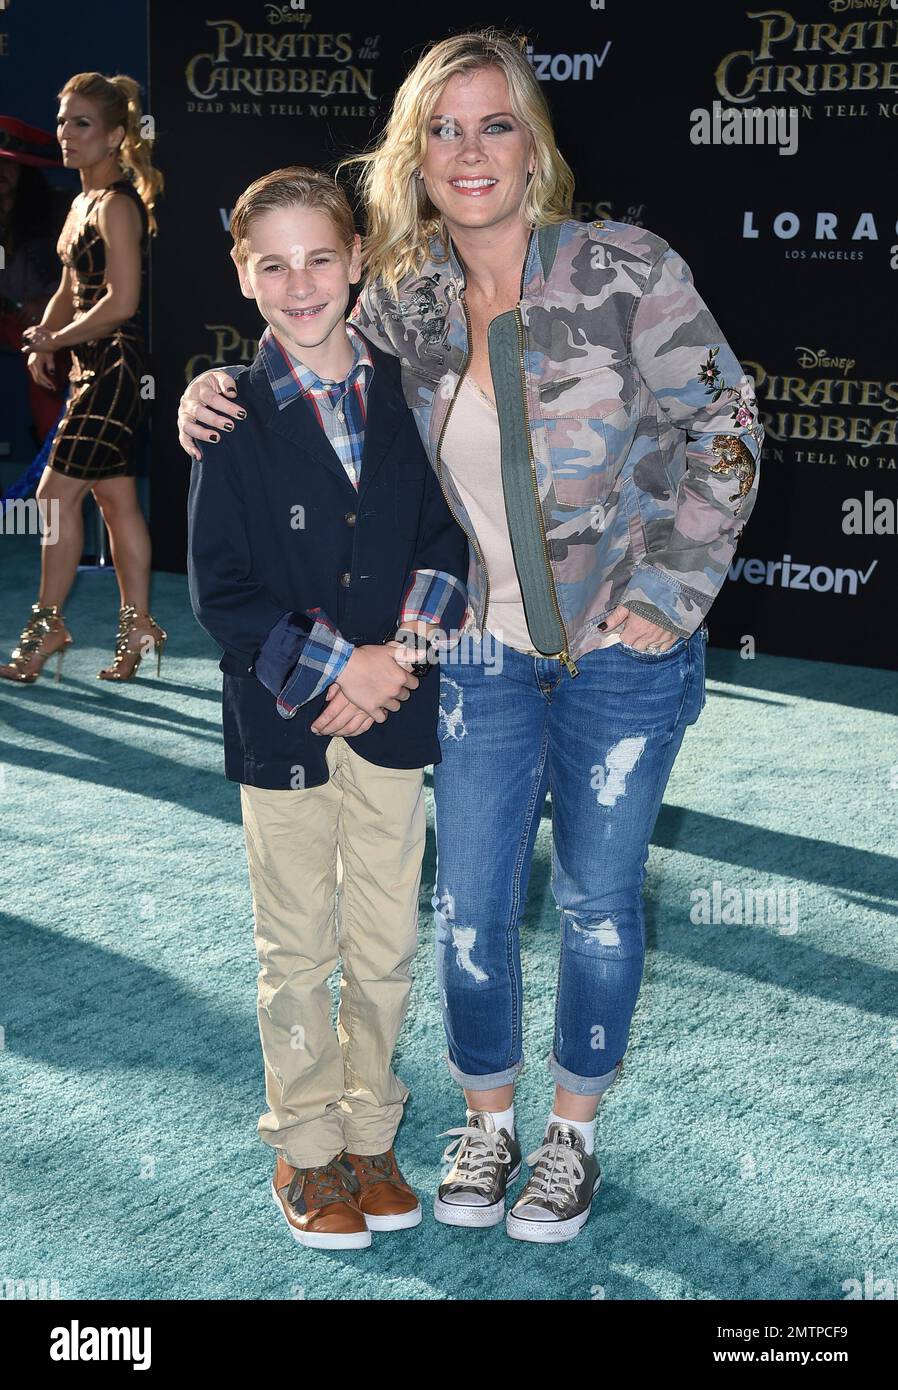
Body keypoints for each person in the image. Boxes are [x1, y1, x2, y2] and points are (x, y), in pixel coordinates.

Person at [176, 28, 763, 1244]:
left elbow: (725, 423)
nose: (469, 149)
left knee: (599, 901)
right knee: (470, 905)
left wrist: (668, 598)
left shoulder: (622, 268)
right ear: (414, 154)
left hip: (623, 648)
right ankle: (486, 1126)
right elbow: (309, 356)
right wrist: (209, 394)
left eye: (494, 123)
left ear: (532, 144)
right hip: (473, 651)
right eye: (442, 128)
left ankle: (569, 1138)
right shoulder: (405, 296)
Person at [186, 166, 468, 1249]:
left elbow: (446, 543)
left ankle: (370, 1129)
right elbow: (223, 592)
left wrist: (395, 657)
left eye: (319, 257)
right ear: (243, 275)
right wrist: (336, 669)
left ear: (356, 263)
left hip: (396, 708)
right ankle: (306, 1150)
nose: (299, 283)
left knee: (387, 934)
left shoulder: (407, 390)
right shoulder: (229, 415)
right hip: (284, 724)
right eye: (273, 263)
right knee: (297, 944)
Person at [0, 73, 165, 685]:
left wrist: (57, 339)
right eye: (63, 120)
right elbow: (71, 290)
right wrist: (41, 337)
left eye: (81, 124)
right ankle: (141, 626)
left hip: (116, 370)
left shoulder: (120, 204)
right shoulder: (79, 203)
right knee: (116, 501)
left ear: (116, 136)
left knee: (52, 497)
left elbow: (122, 301)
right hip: (89, 368)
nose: (65, 134)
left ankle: (48, 625)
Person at [0, 117, 69, 444]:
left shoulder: (55, 210)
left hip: (48, 322)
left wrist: (44, 304)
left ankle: (53, 459)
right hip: (6, 317)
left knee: (49, 381)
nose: (2, 172)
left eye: (10, 165)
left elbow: (80, 279)